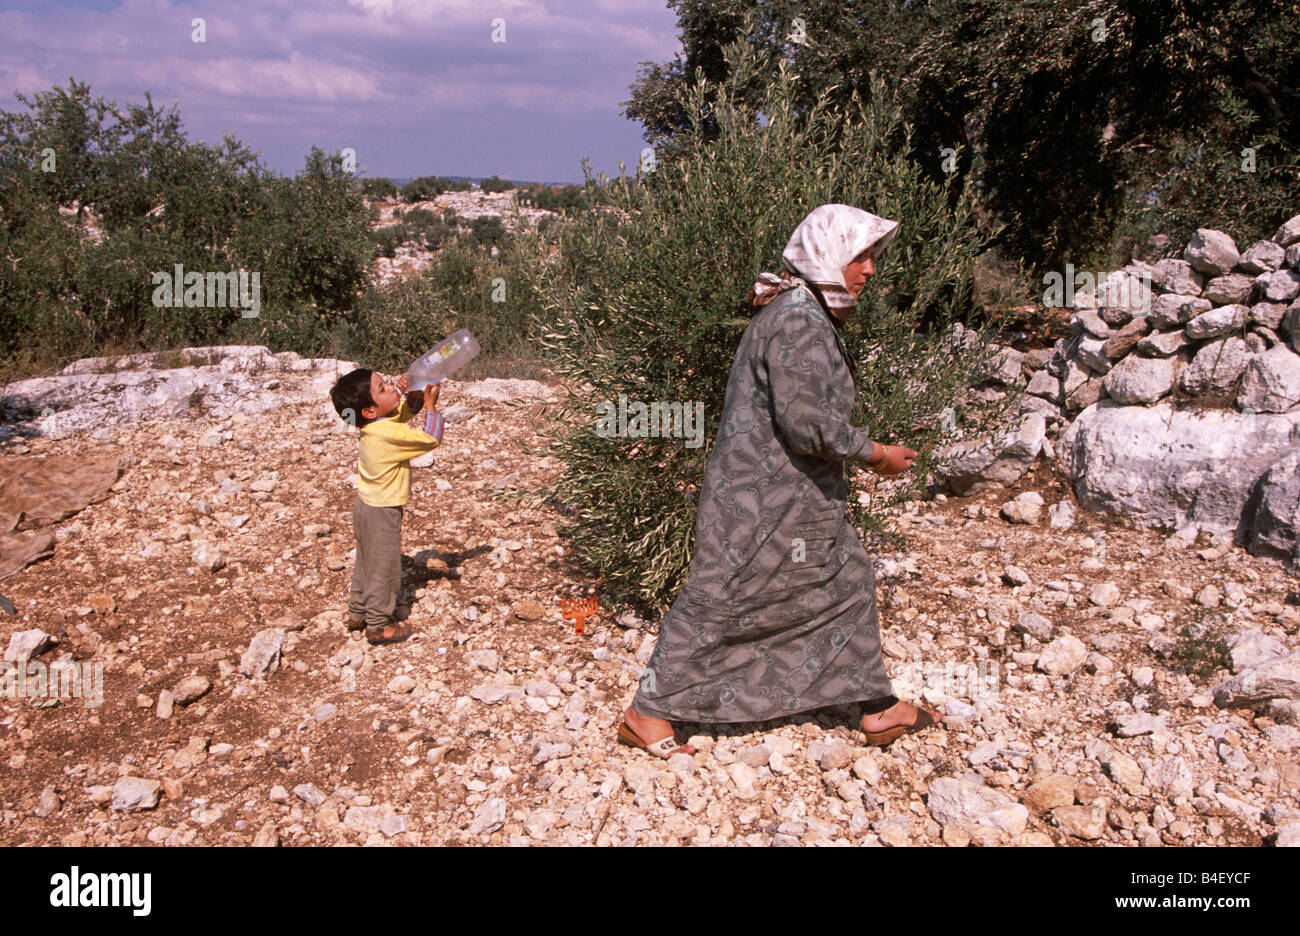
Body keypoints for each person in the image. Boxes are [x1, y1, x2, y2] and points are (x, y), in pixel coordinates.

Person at [620, 204, 942, 758]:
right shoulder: (799, 319)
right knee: (722, 593)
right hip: (763, 498)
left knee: (844, 581)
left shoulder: (800, 311)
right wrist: (876, 453)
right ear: (828, 255)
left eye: (870, 257)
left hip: (790, 496)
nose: (869, 270)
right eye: (859, 256)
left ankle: (876, 705)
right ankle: (647, 712)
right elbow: (808, 423)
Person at [329, 369, 444, 645]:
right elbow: (430, 438)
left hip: (365, 507)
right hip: (382, 511)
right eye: (383, 388)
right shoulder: (385, 433)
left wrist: (412, 392)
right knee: (384, 568)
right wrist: (431, 406)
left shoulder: (375, 426)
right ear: (369, 410)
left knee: (366, 562)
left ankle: (358, 613)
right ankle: (378, 625)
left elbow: (402, 414)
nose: (392, 387)